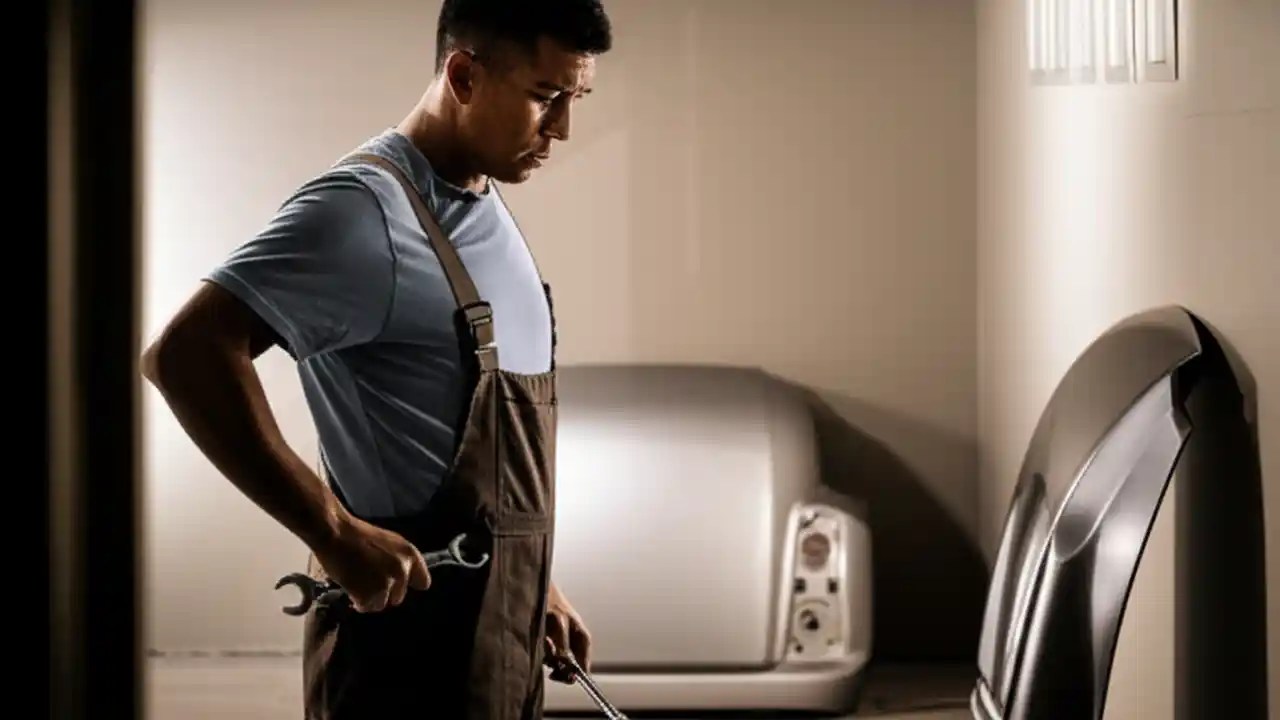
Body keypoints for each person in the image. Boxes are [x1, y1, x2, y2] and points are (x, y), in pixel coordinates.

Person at [140, 0, 613, 716]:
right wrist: (330, 531)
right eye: (545, 97)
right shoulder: (361, 213)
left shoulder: (483, 196)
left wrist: (530, 581)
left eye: (574, 99)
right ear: (462, 76)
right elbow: (185, 355)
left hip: (497, 644)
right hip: (404, 659)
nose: (563, 129)